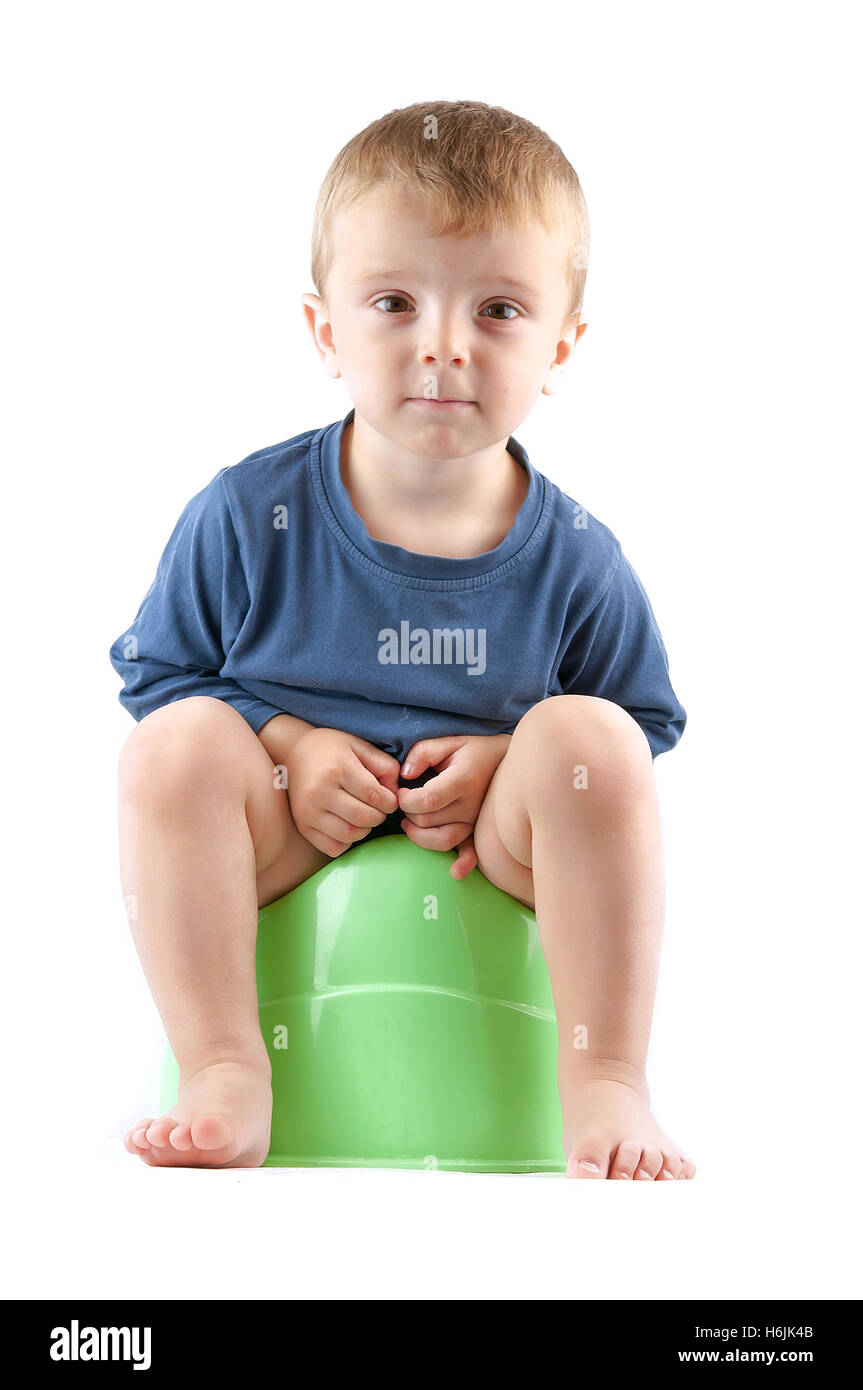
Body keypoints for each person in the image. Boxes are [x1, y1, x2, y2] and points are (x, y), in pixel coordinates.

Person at [110, 100, 694, 1179]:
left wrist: (510, 761)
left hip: (486, 847)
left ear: (561, 343)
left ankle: (603, 1077)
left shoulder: (574, 554)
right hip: (286, 828)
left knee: (588, 739)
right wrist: (285, 741)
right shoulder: (248, 515)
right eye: (393, 302)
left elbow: (641, 725)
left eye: (499, 310)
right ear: (325, 330)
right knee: (173, 749)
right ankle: (225, 1063)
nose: (441, 345)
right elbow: (157, 674)